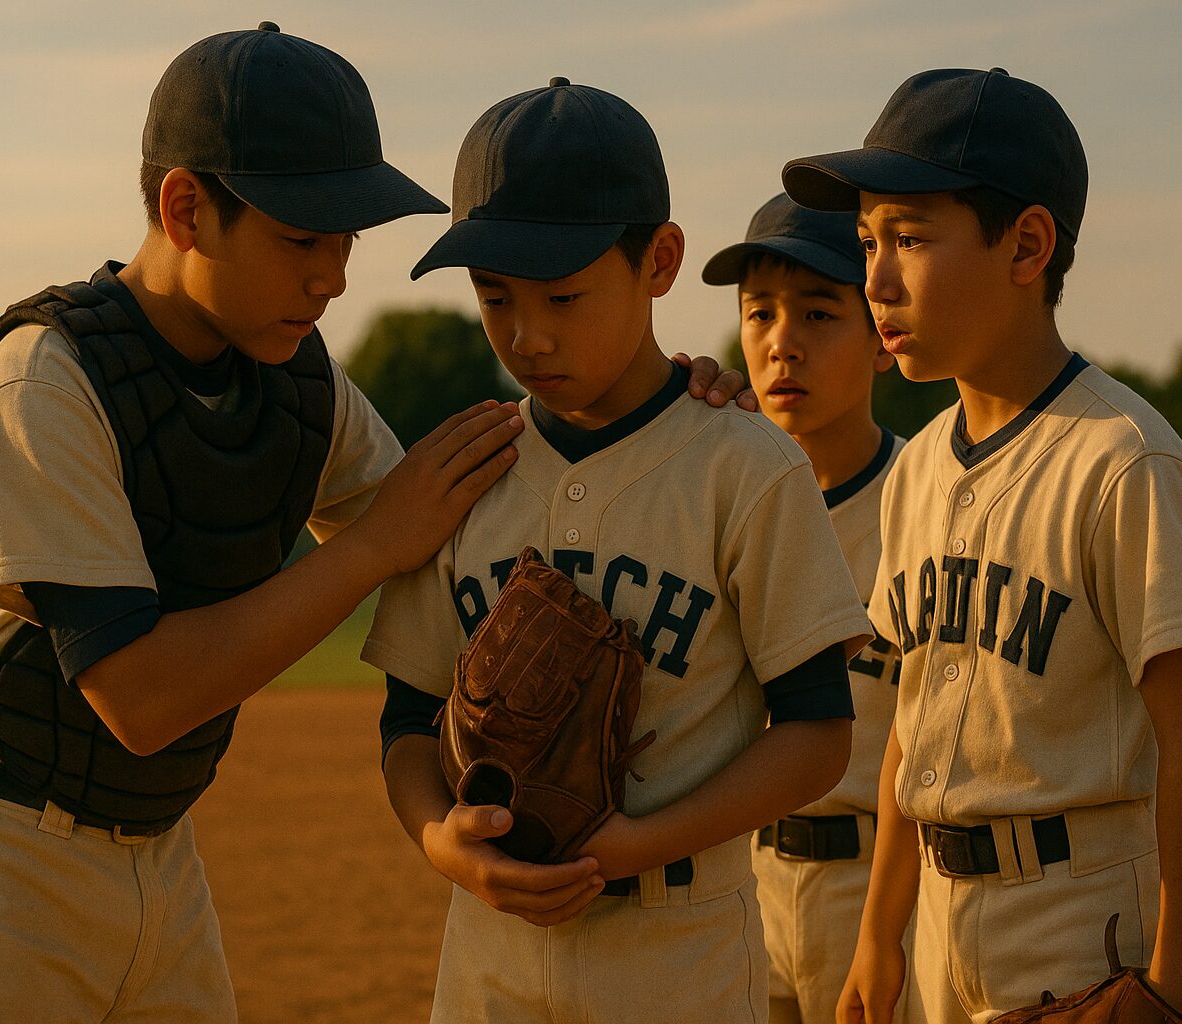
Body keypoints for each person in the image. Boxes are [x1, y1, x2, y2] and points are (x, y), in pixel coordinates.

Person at [0, 26, 746, 1024]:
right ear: (185, 208)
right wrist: (370, 547)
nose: (332, 277)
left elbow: (463, 521)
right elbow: (142, 700)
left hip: (162, 855)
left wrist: (667, 409)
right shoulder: (47, 383)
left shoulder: (297, 384)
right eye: (302, 238)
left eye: (346, 241)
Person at [362, 78, 877, 1023]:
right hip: (487, 955)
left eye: (564, 294)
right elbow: (407, 719)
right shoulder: (463, 472)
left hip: (678, 947)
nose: (527, 334)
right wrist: (442, 840)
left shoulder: (744, 466)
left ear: (661, 261)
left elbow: (816, 732)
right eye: (494, 296)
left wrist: (640, 841)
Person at [781, 68, 1182, 1024]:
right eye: (867, 242)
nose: (875, 281)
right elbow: (911, 723)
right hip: (938, 917)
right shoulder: (916, 469)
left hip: (1078, 915)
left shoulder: (1123, 462)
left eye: (910, 239)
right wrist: (879, 933)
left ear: (1028, 245)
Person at [701, 193, 909, 1024]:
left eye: (820, 313)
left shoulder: (925, 499)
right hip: (744, 880)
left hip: (883, 886)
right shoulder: (716, 495)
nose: (782, 342)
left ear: (882, 337)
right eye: (760, 313)